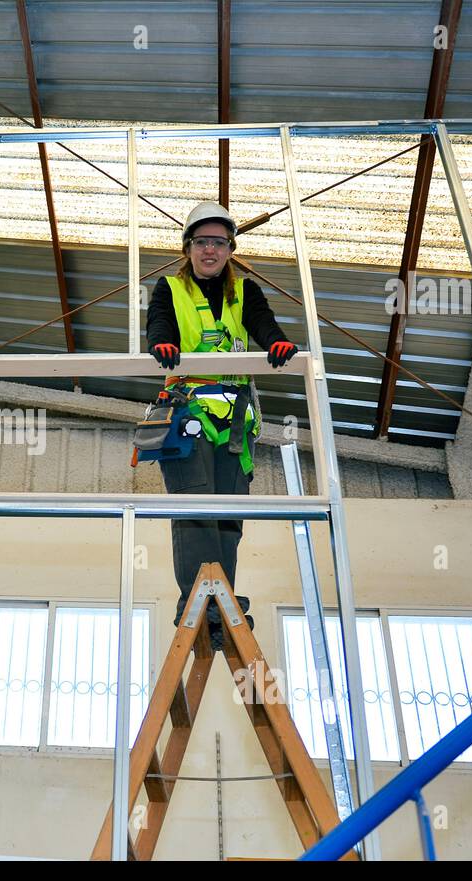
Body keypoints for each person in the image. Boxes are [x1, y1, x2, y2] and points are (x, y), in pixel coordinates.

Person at [145, 201, 298, 646]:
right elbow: (158, 324)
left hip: (234, 423)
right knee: (195, 511)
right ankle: (198, 605)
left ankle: (222, 603)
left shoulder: (243, 292)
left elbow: (262, 324)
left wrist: (278, 345)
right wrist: (164, 345)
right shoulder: (169, 288)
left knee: (229, 516)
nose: (209, 250)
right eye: (201, 242)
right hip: (189, 415)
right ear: (188, 248)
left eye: (218, 242)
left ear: (230, 248)